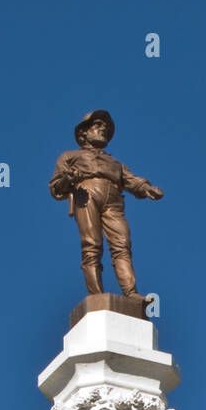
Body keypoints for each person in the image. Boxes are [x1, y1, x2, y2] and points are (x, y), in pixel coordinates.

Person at [49, 109, 163, 301]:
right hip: (86, 194)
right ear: (83, 132)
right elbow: (56, 188)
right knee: (92, 245)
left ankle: (131, 293)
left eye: (106, 127)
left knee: (122, 244)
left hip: (114, 201)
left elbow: (131, 180)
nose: (104, 129)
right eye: (98, 125)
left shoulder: (115, 163)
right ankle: (96, 296)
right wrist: (68, 179)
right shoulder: (69, 156)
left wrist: (146, 188)